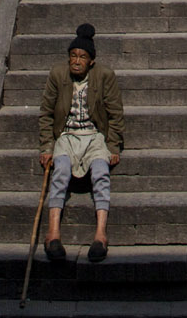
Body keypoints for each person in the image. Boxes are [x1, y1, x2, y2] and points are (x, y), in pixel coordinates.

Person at [39, 24, 124, 263]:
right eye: (73, 56)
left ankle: (100, 234)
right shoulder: (57, 75)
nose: (77, 61)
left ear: (91, 62)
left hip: (94, 136)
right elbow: (46, 113)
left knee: (100, 172)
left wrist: (113, 146)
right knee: (61, 172)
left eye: (82, 57)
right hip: (66, 136)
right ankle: (53, 233)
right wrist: (47, 147)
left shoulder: (104, 76)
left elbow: (116, 114)